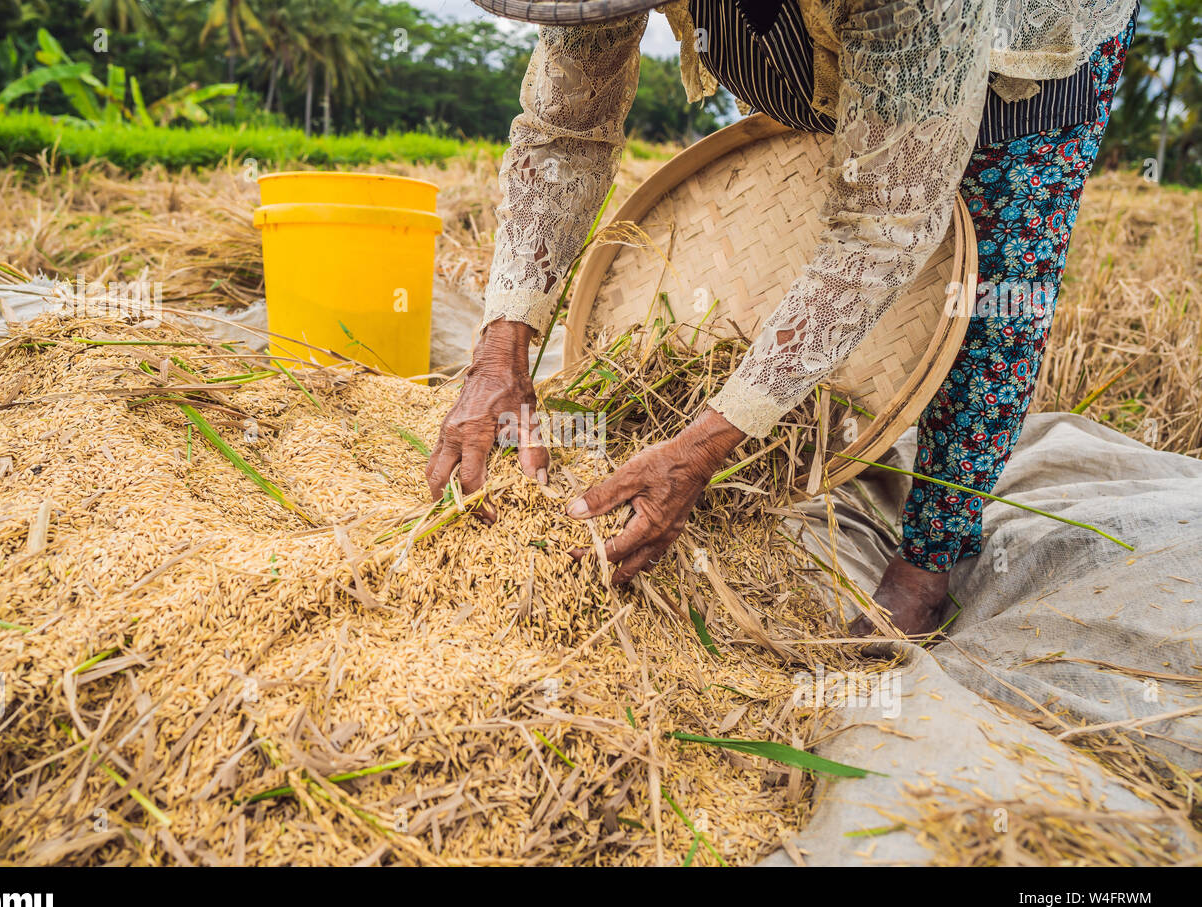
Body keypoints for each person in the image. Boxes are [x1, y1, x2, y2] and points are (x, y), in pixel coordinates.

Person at [426, 0, 1139, 634]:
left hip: (1020, 53)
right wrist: (501, 349)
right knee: (804, 219)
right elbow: (564, 135)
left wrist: (700, 451)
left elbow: (885, 223)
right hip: (833, 33)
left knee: (993, 298)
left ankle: (930, 561)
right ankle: (770, 415)